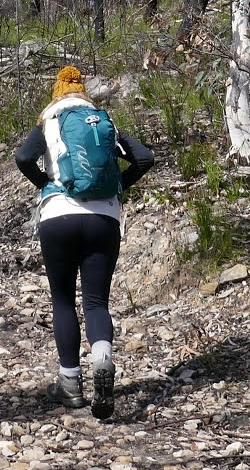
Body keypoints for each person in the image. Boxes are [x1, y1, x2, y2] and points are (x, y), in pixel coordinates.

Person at [14, 65, 155, 420]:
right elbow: (145, 158)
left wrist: (45, 184)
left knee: (63, 299)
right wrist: (119, 186)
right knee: (95, 301)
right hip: (103, 219)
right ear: (84, 94)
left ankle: (70, 384)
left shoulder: (49, 122)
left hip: (58, 217)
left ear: (56, 94)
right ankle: (102, 359)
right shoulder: (103, 123)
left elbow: (23, 158)